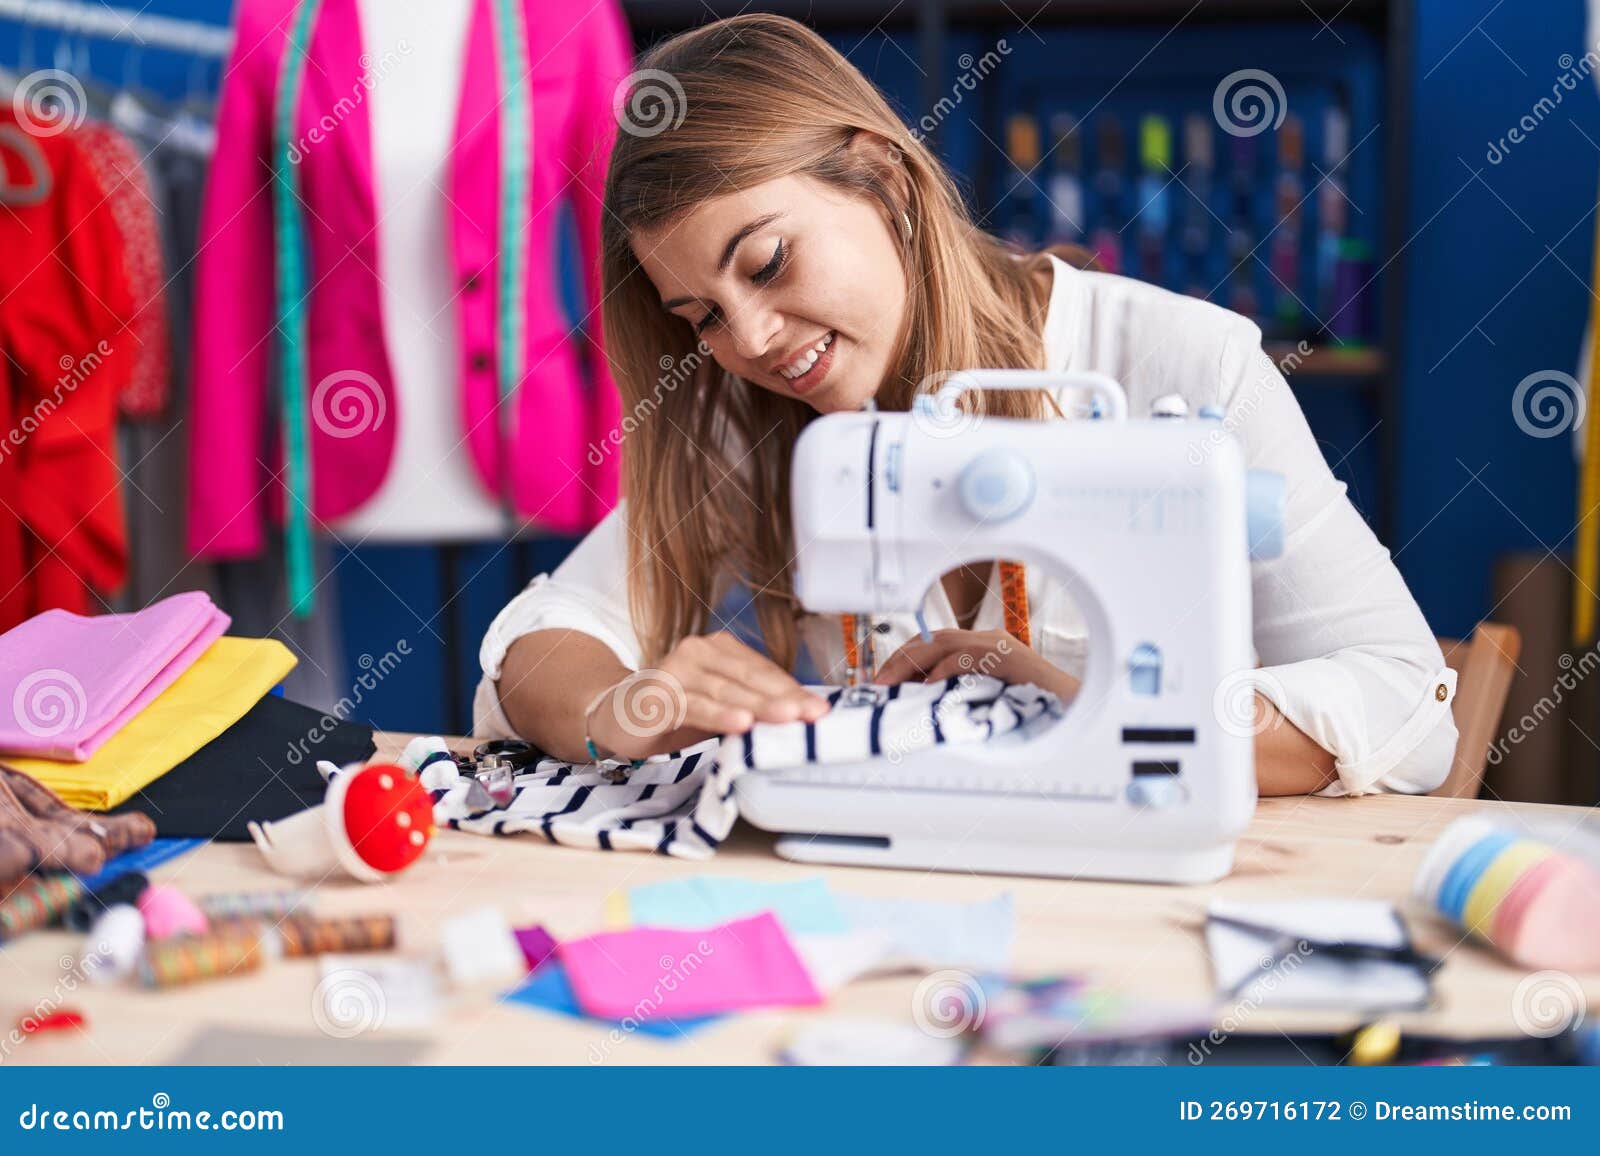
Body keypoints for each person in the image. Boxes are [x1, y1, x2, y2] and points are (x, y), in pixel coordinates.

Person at [477, 14, 1458, 798]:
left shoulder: (1178, 366)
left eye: (769, 263)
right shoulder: (754, 418)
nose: (751, 341)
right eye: (701, 316)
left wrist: (1089, 715)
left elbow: (1399, 696)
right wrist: (629, 706)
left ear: (886, 181)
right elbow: (540, 643)